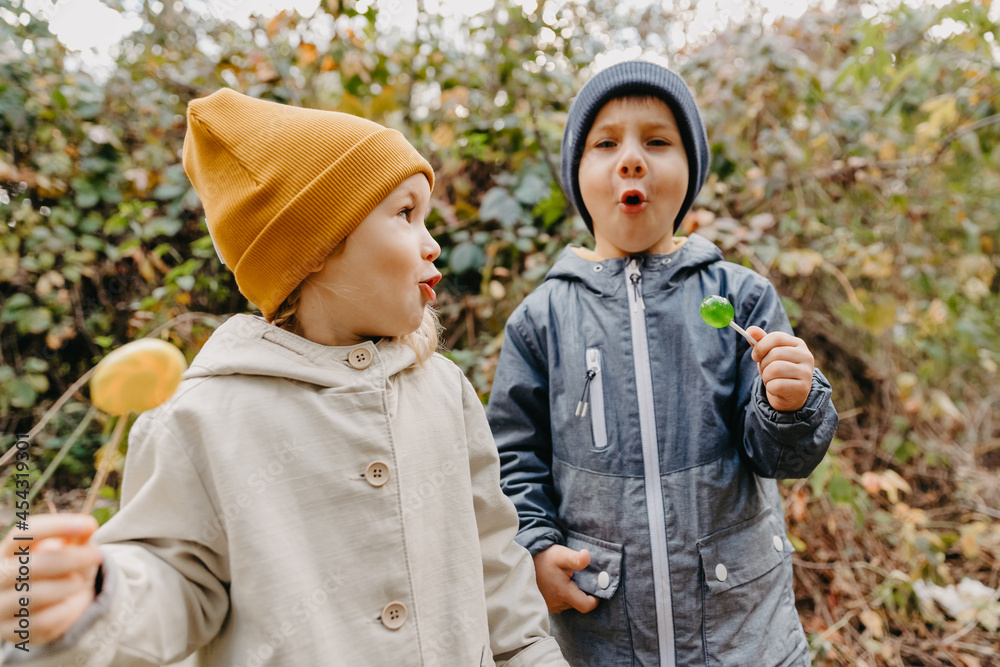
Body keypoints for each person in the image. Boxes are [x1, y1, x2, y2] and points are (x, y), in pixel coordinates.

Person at [0, 89, 568, 667]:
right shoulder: (198, 418)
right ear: (316, 245)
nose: (433, 243)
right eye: (405, 213)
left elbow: (497, 570)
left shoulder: (443, 391)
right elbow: (172, 579)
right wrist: (96, 598)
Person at [486, 61, 839, 666]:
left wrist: (790, 404)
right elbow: (512, 458)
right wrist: (536, 548)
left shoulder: (740, 298)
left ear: (690, 172)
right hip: (604, 636)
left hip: (744, 636)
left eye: (656, 141)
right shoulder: (541, 319)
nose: (631, 159)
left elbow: (782, 459)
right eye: (605, 144)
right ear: (578, 177)